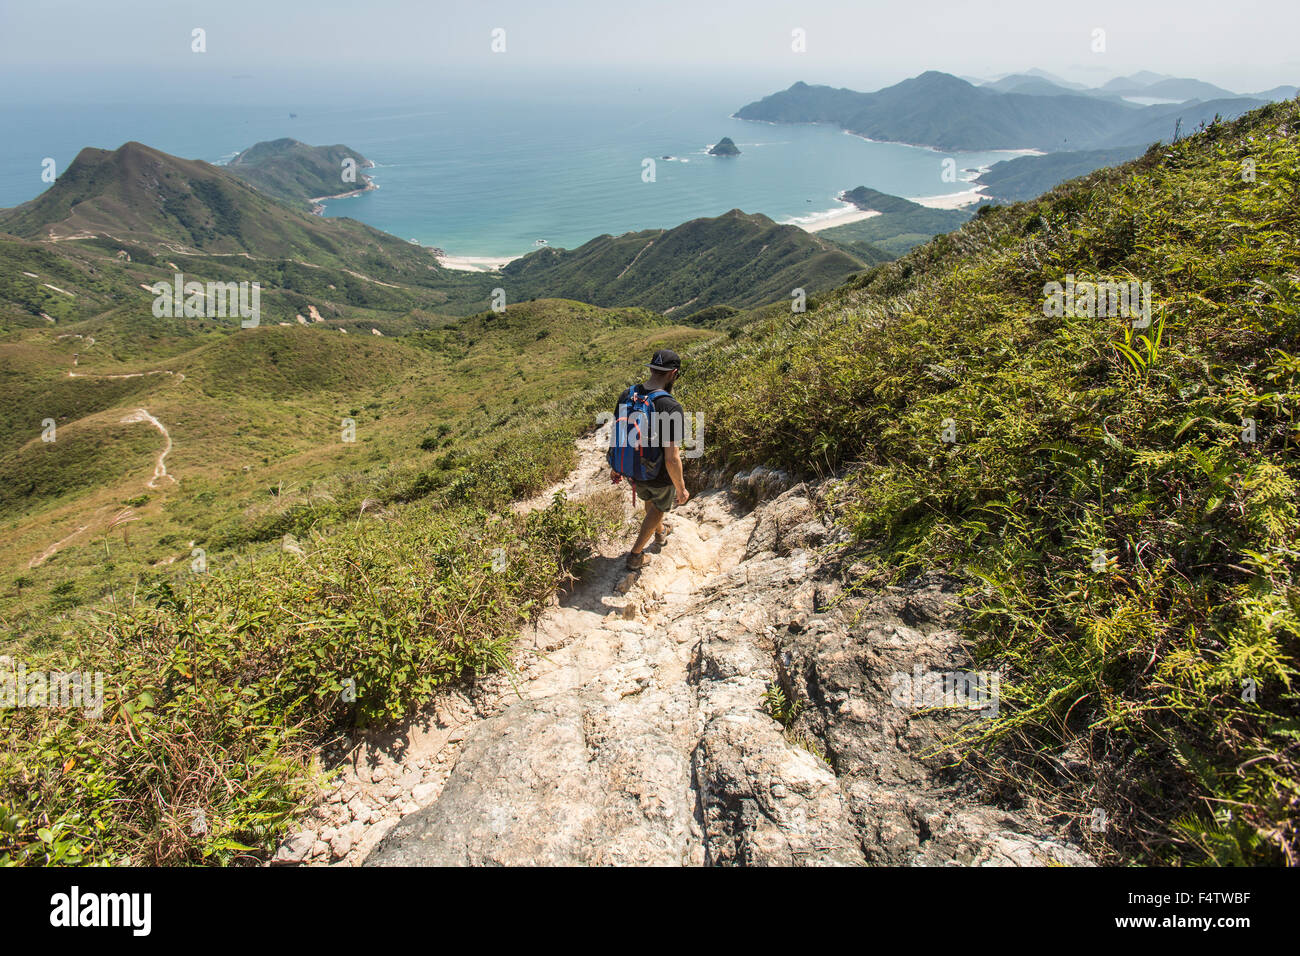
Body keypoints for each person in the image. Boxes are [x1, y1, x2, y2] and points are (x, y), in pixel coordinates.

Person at [612, 349, 690, 570]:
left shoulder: (628, 394)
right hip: (657, 472)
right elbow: (672, 458)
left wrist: (615, 465)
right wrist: (681, 488)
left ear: (652, 369)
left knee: (649, 499)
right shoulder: (670, 407)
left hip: (631, 467)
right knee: (658, 507)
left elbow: (617, 431)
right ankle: (636, 555)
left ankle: (660, 531)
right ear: (673, 373)